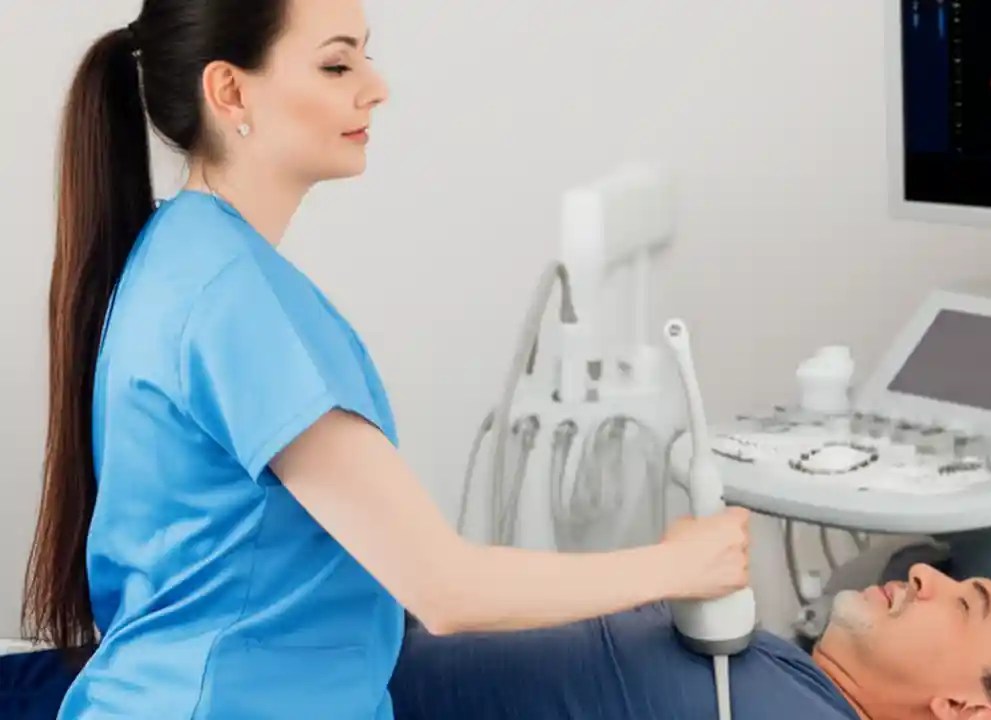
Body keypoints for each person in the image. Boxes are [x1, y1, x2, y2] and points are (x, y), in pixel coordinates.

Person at [23, 1, 751, 717]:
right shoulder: (234, 300)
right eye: (338, 62)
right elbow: (445, 589)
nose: (376, 85)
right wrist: (680, 565)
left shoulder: (183, 254)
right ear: (230, 91)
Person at [386, 564, 991, 720]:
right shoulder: (789, 675)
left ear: (962, 709)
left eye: (964, 605)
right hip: (365, 645)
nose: (925, 573)